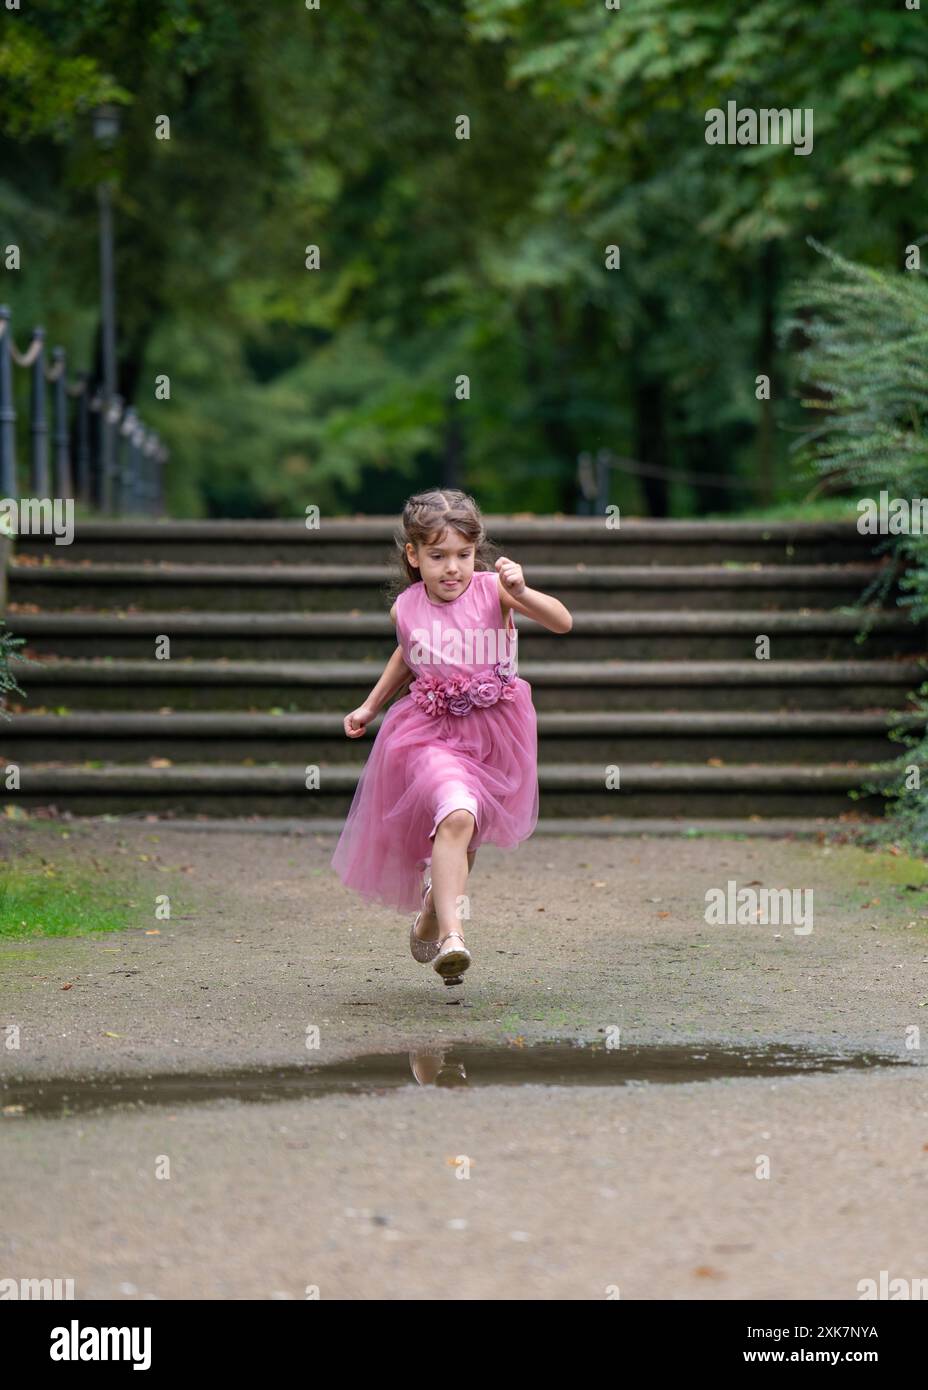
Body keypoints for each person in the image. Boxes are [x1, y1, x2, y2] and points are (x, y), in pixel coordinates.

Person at [330, 488, 572, 984]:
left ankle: (431, 912)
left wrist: (522, 592)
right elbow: (407, 655)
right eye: (438, 556)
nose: (452, 568)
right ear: (414, 556)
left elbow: (562, 622)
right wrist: (372, 705)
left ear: (475, 552)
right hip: (428, 733)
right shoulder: (406, 607)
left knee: (464, 836)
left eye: (462, 555)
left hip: (494, 735)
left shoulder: (493, 590)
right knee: (457, 812)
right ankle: (453, 938)